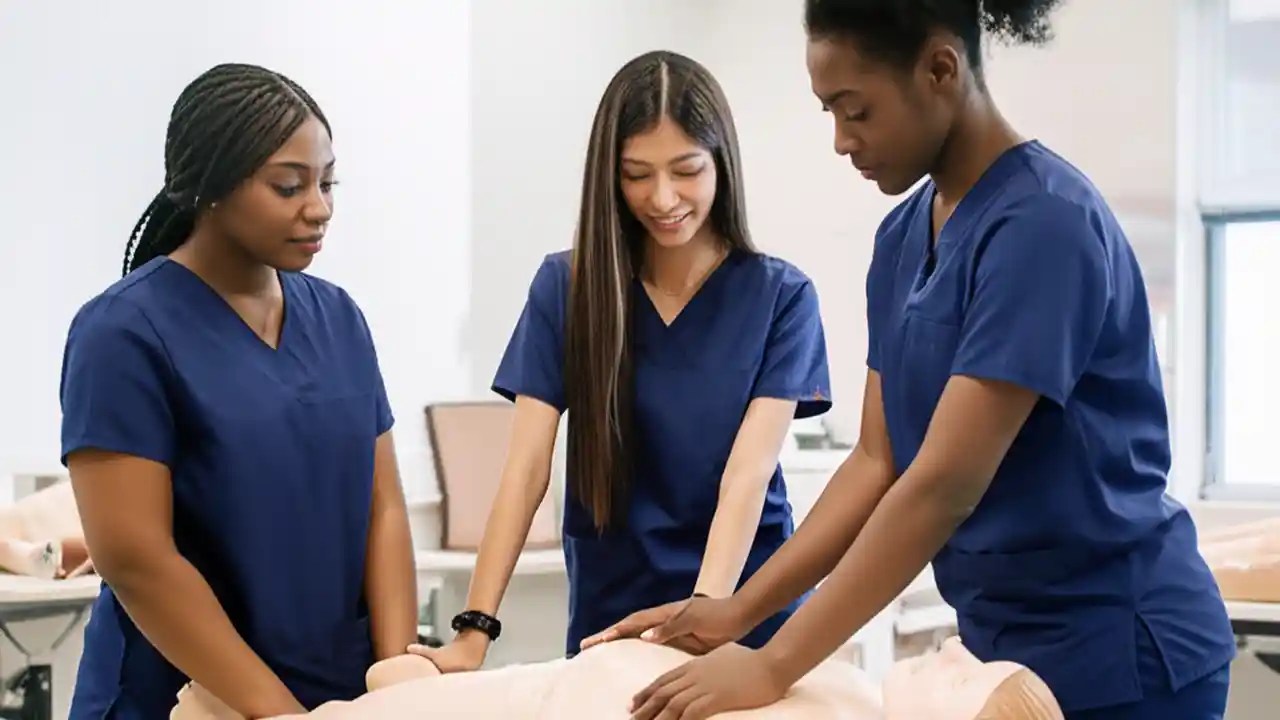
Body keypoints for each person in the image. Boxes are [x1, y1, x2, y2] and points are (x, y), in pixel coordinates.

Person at [585, 2, 1238, 719]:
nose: (839, 140)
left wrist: (774, 664)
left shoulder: (1044, 226)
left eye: (855, 110)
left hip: (1126, 652)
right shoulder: (901, 238)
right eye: (828, 112)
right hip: (1006, 648)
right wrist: (740, 611)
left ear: (939, 69)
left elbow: (941, 484)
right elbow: (877, 459)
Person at [408, 50, 833, 672]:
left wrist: (704, 616)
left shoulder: (782, 297)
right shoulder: (567, 287)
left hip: (743, 613)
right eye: (637, 174)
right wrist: (474, 633)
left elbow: (745, 480)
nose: (663, 198)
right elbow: (525, 471)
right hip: (611, 615)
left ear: (723, 163)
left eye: (686, 170)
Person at [58, 63, 418, 719]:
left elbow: (384, 509)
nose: (320, 207)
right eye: (289, 186)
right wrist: (276, 713)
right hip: (180, 698)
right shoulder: (123, 332)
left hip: (337, 693)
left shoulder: (338, 318)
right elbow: (136, 559)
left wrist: (393, 686)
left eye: (327, 182)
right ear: (210, 188)